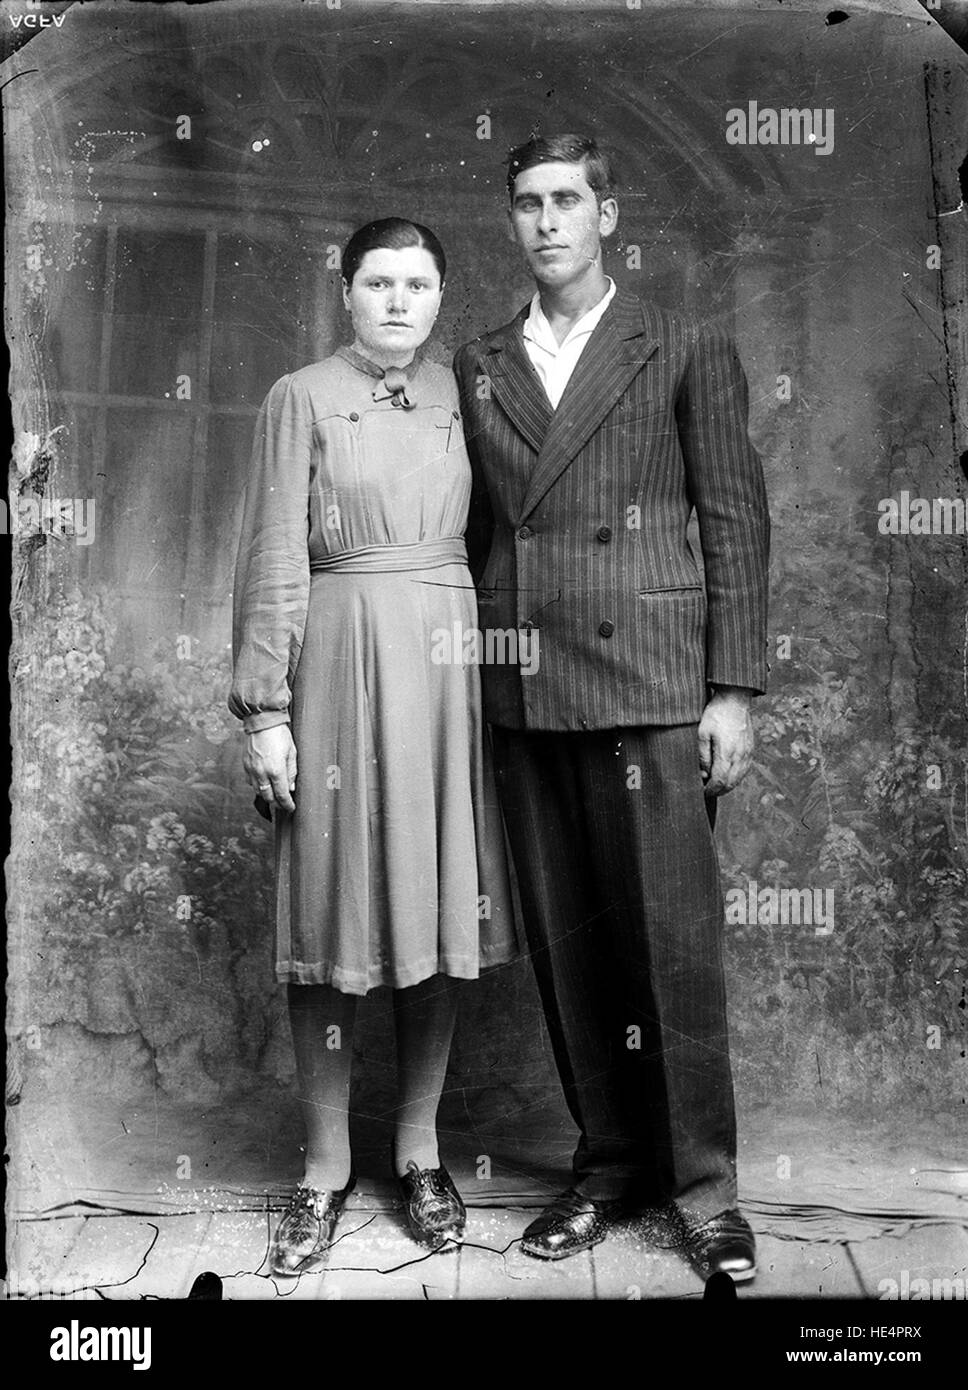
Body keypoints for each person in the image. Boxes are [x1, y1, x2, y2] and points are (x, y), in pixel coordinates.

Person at [453, 134, 770, 1282]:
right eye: (526, 203)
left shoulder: (678, 342)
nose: (545, 221)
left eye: (566, 201)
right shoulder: (478, 360)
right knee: (569, 946)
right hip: (525, 683)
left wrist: (730, 687)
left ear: (607, 216)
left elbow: (734, 518)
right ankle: (606, 1168)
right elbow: (476, 530)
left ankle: (704, 1193)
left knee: (671, 949)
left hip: (649, 682)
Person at [229, 217, 516, 1276]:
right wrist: (266, 710)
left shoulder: (462, 392)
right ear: (345, 291)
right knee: (332, 904)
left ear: (441, 295)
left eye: (419, 284)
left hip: (445, 664)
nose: (399, 301)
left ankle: (419, 1150)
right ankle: (321, 1165)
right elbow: (270, 551)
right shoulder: (298, 395)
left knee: (434, 903)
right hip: (340, 663)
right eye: (379, 283)